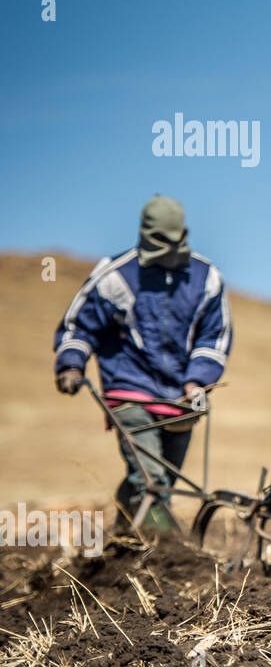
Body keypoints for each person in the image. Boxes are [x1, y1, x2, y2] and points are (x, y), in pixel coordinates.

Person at [53, 195, 233, 530]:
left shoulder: (206, 278)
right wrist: (71, 364)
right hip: (129, 391)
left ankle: (121, 546)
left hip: (180, 398)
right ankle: (168, 556)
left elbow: (215, 336)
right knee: (151, 479)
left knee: (162, 480)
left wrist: (197, 380)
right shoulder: (115, 275)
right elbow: (79, 325)